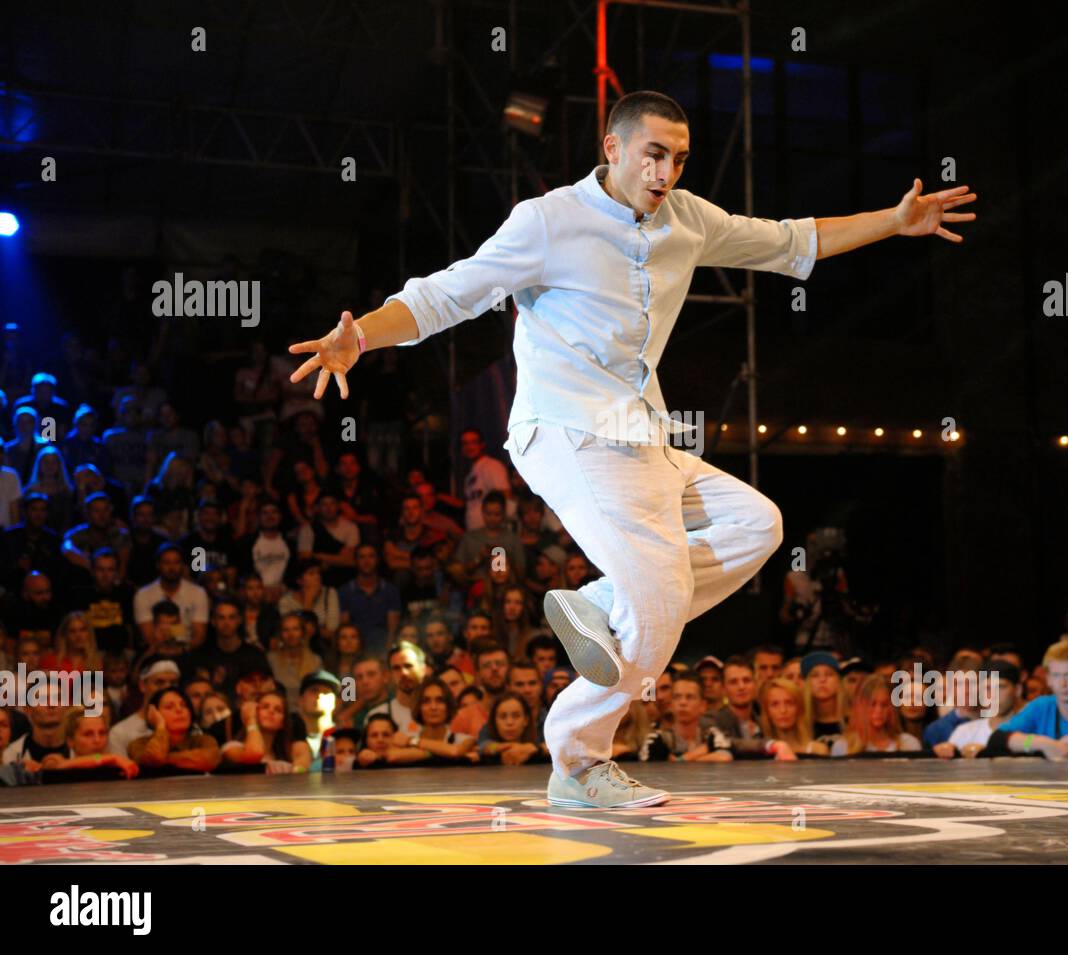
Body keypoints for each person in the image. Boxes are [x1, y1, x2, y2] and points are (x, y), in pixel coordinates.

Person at [286, 89, 975, 807]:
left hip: (644, 435)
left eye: (678, 158)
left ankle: (600, 600)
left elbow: (787, 240)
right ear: (612, 148)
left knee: (757, 524)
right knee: (663, 599)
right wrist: (358, 336)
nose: (665, 171)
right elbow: (445, 295)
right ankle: (579, 763)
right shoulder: (549, 220)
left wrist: (894, 222)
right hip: (567, 430)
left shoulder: (688, 219)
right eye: (653, 154)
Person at [127, 687, 221, 773]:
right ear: (155, 714)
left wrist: (165, 759)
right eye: (169, 707)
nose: (179, 710)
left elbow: (210, 760)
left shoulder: (204, 740)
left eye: (184, 705)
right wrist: (160, 725)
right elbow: (155, 758)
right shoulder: (138, 744)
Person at [39, 708, 139, 779]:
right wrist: (109, 758)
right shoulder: (55, 759)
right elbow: (56, 766)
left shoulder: (117, 764)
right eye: (88, 734)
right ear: (70, 741)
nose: (97, 740)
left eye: (102, 733)